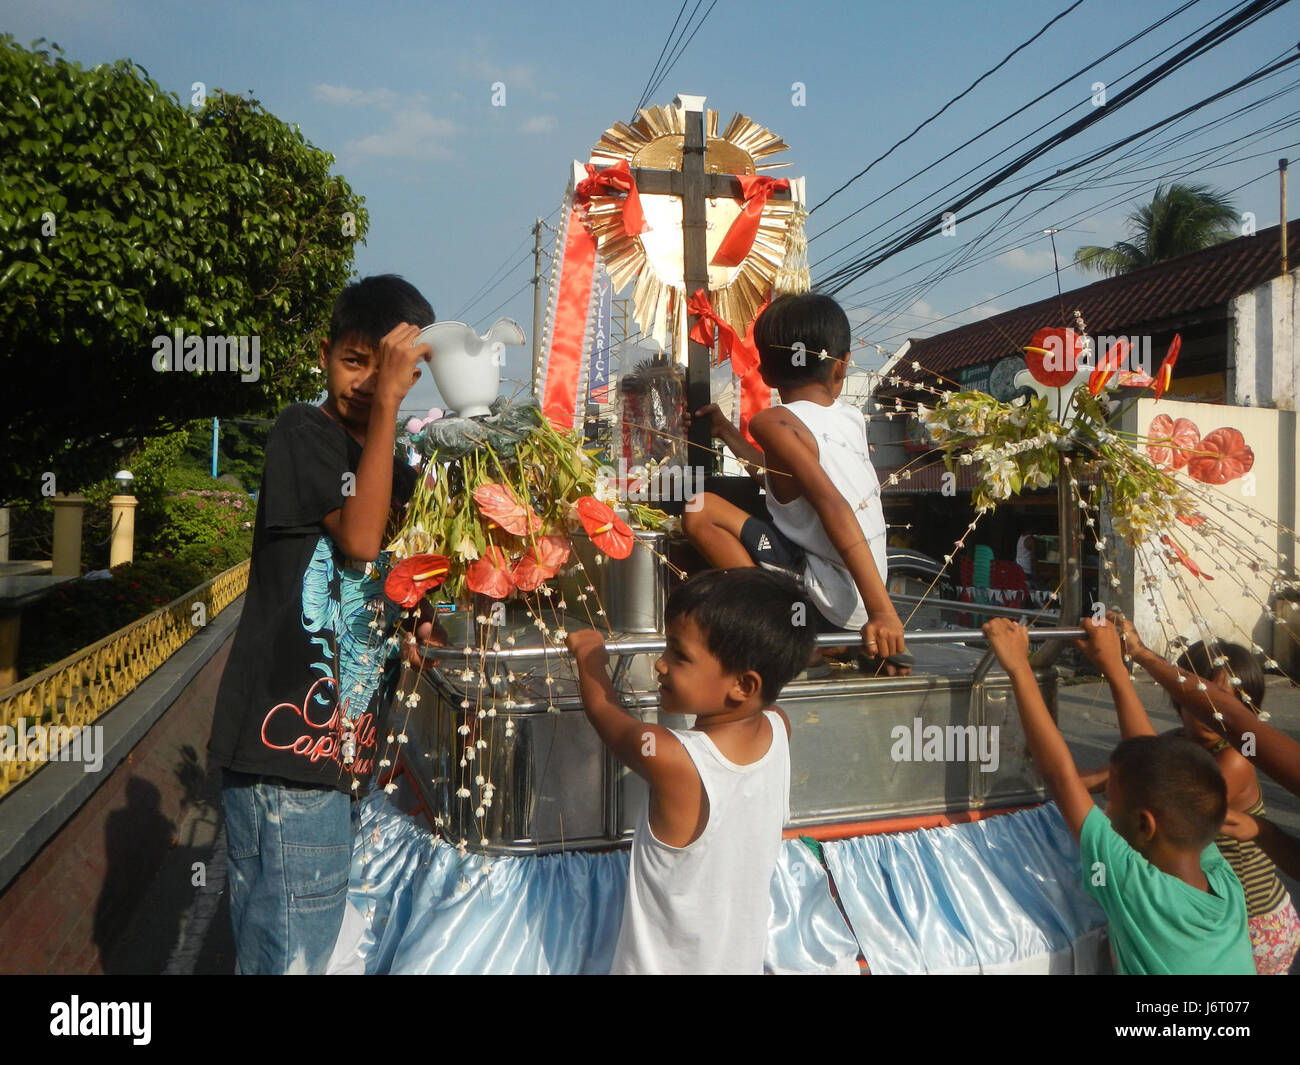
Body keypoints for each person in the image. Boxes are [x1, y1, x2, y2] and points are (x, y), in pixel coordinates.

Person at [207, 275, 437, 975]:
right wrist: (392, 402)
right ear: (322, 355)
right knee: (292, 960)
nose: (367, 384)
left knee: (294, 952)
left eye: (388, 367)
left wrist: (414, 624)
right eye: (353, 361)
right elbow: (361, 541)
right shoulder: (302, 432)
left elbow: (381, 579)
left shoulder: (393, 469)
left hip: (336, 763)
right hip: (287, 760)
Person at [565, 568, 816, 974]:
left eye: (679, 655)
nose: (661, 665)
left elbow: (605, 713)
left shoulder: (671, 757)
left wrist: (590, 655)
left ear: (744, 686)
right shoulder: (779, 728)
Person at [982, 616, 1254, 975]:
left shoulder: (1135, 884)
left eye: (1110, 802)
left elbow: (1061, 777)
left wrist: (1019, 669)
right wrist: (1114, 669)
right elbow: (1154, 760)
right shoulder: (1221, 878)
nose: (1105, 811)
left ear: (1145, 824)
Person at [683, 293, 907, 673]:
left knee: (699, 511)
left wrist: (883, 612)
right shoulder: (850, 419)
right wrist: (726, 433)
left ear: (765, 373)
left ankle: (781, 629)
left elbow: (834, 506)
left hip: (831, 605)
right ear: (841, 366)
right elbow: (783, 481)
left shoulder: (773, 422)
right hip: (858, 601)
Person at [1108, 621, 1300, 974]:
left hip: (1256, 920)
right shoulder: (1180, 743)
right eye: (1199, 697)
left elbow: (1161, 782)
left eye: (1222, 702)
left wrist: (1124, 666)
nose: (1211, 712)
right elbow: (1148, 764)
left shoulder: (1238, 757)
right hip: (1222, 911)